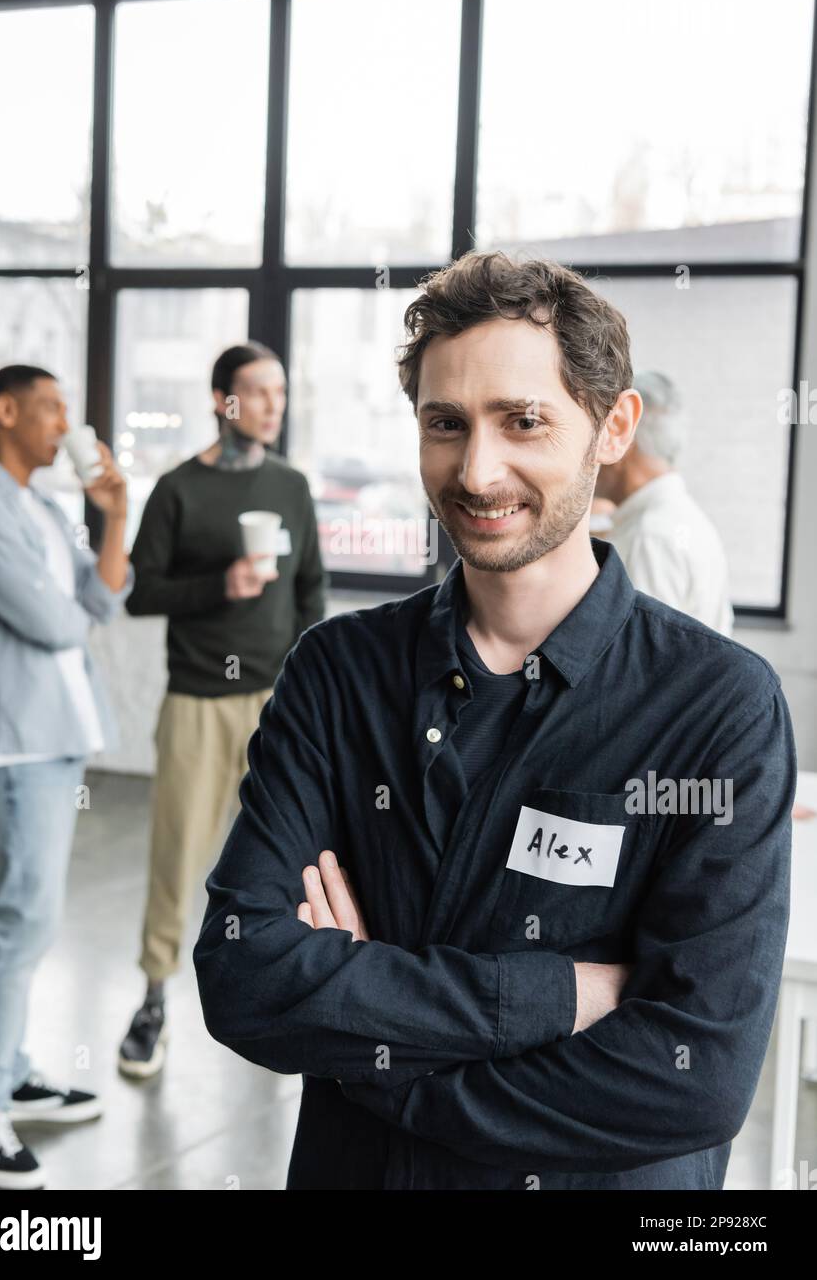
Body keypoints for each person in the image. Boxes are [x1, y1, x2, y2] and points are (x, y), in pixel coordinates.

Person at [194, 252, 794, 1191]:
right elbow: (245, 978)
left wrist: (382, 1062)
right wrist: (560, 993)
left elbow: (693, 1078)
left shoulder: (716, 706)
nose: (477, 470)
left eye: (523, 421)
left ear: (611, 426)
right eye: (445, 424)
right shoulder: (337, 675)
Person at [118, 341, 326, 1078]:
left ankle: (303, 997)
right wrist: (219, 585)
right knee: (177, 855)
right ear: (222, 401)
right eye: (257, 393)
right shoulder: (178, 489)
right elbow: (139, 592)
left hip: (281, 703)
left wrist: (313, 693)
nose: (273, 405)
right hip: (197, 701)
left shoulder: (292, 486)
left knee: (303, 862)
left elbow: (310, 594)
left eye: (280, 391)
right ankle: (151, 999)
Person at [0, 364, 131, 1190]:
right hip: (17, 740)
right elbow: (52, 620)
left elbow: (103, 602)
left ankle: (12, 1070)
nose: (65, 422)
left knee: (36, 916)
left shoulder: (44, 503)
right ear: (7, 409)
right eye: (53, 406)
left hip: (59, 733)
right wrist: (82, 595)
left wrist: (116, 516)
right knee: (22, 918)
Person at [595, 370, 734, 635]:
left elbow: (640, 659)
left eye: (600, 433)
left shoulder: (648, 537)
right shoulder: (683, 518)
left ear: (623, 438)